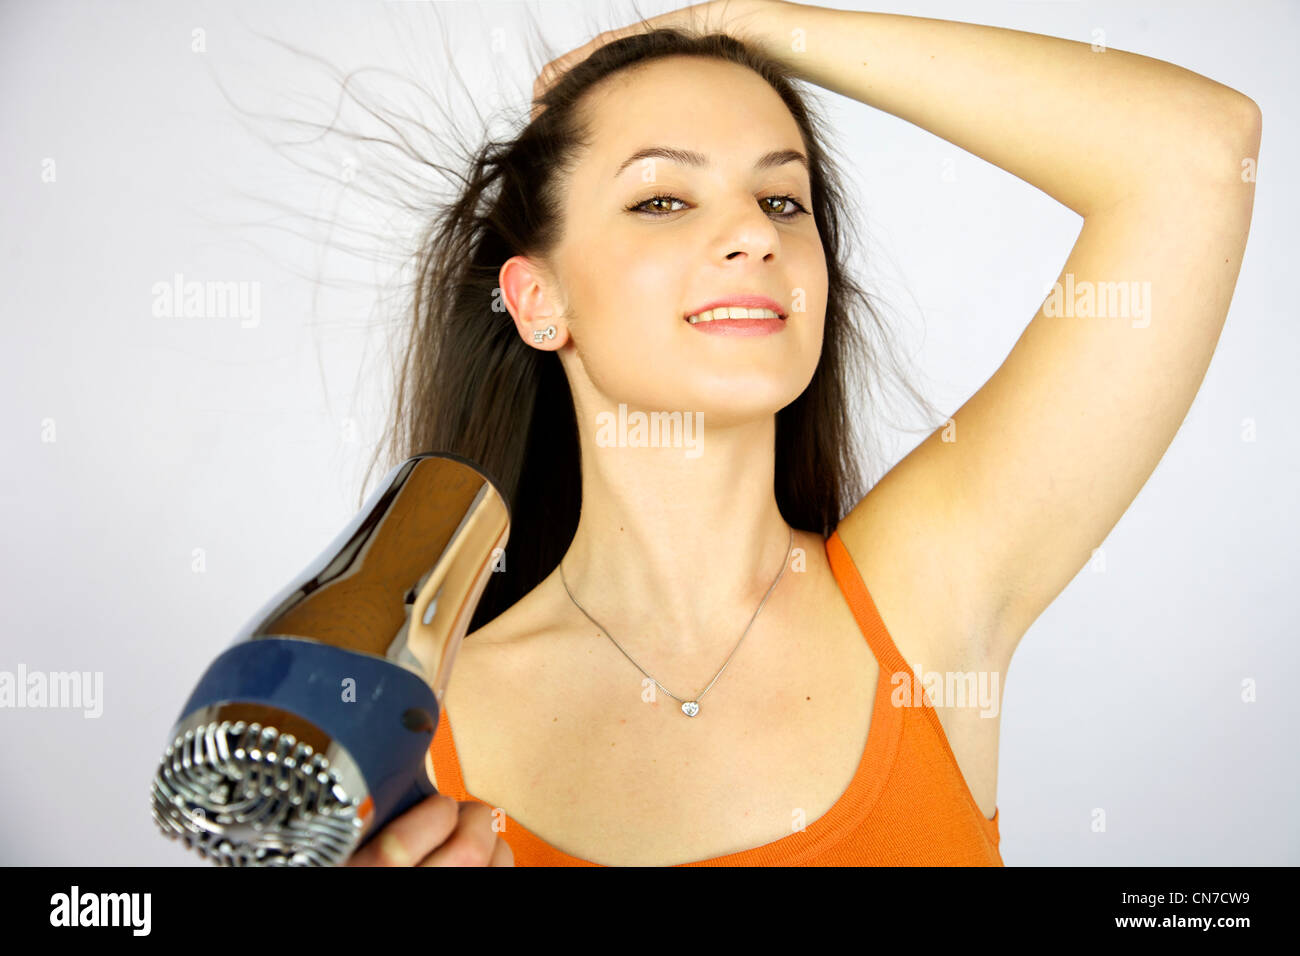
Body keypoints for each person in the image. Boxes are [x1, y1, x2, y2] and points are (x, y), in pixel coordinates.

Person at [346, 0, 1260, 866]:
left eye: (784, 199)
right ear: (538, 301)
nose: (752, 230)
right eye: (663, 200)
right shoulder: (411, 738)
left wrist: (748, 25)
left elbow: (1197, 152)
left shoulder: (919, 603)